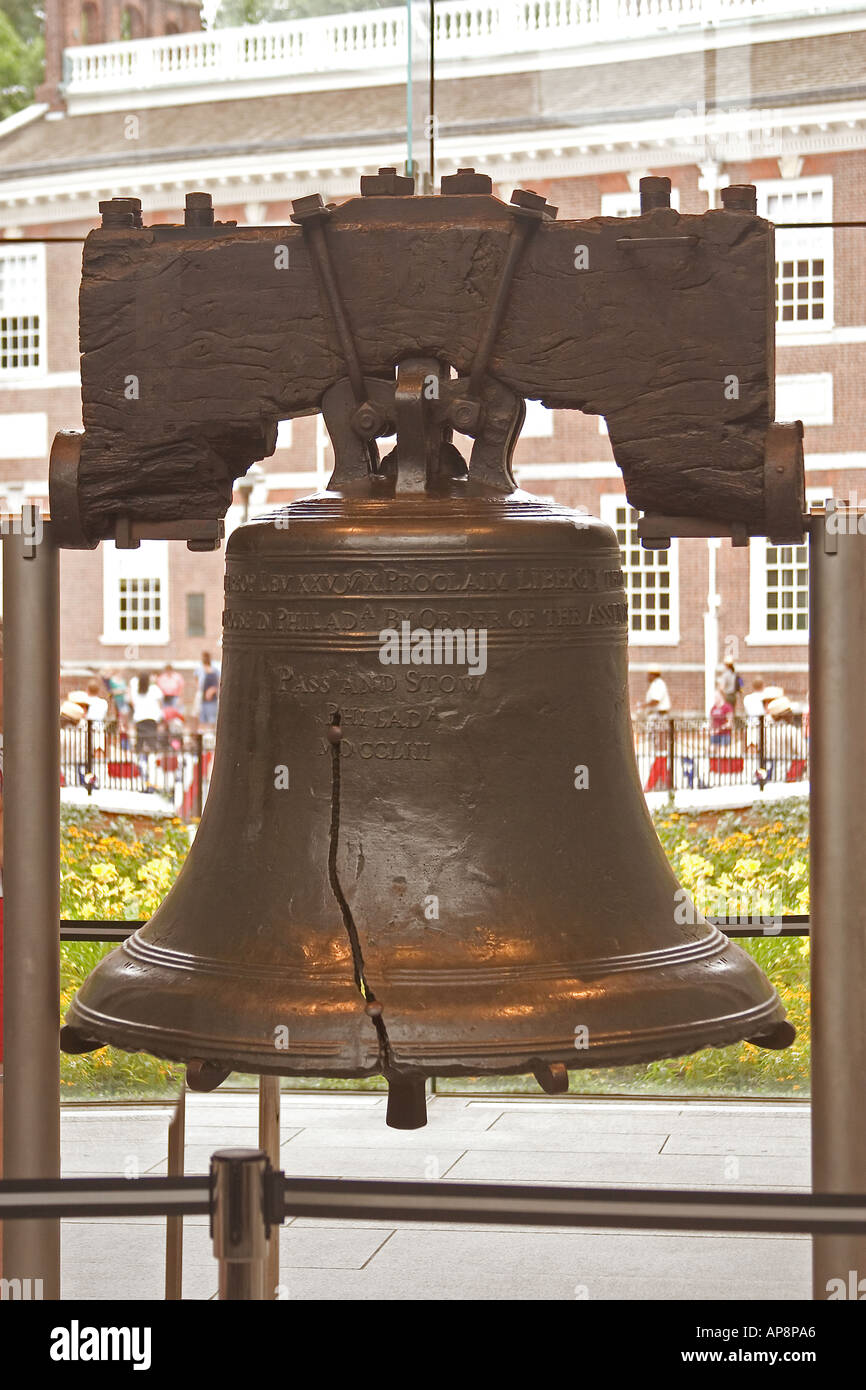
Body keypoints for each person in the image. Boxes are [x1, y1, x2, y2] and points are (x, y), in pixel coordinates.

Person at [129, 672, 163, 788]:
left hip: (140, 718)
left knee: (140, 745)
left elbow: (132, 701)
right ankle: (152, 773)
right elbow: (159, 704)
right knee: (152, 746)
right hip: (152, 718)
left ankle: (141, 772)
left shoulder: (136, 690)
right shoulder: (154, 689)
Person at [197, 651, 220, 730]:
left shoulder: (213, 671)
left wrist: (211, 691)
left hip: (211, 700)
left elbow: (216, 684)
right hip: (203, 699)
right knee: (202, 719)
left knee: (211, 719)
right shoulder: (200, 669)